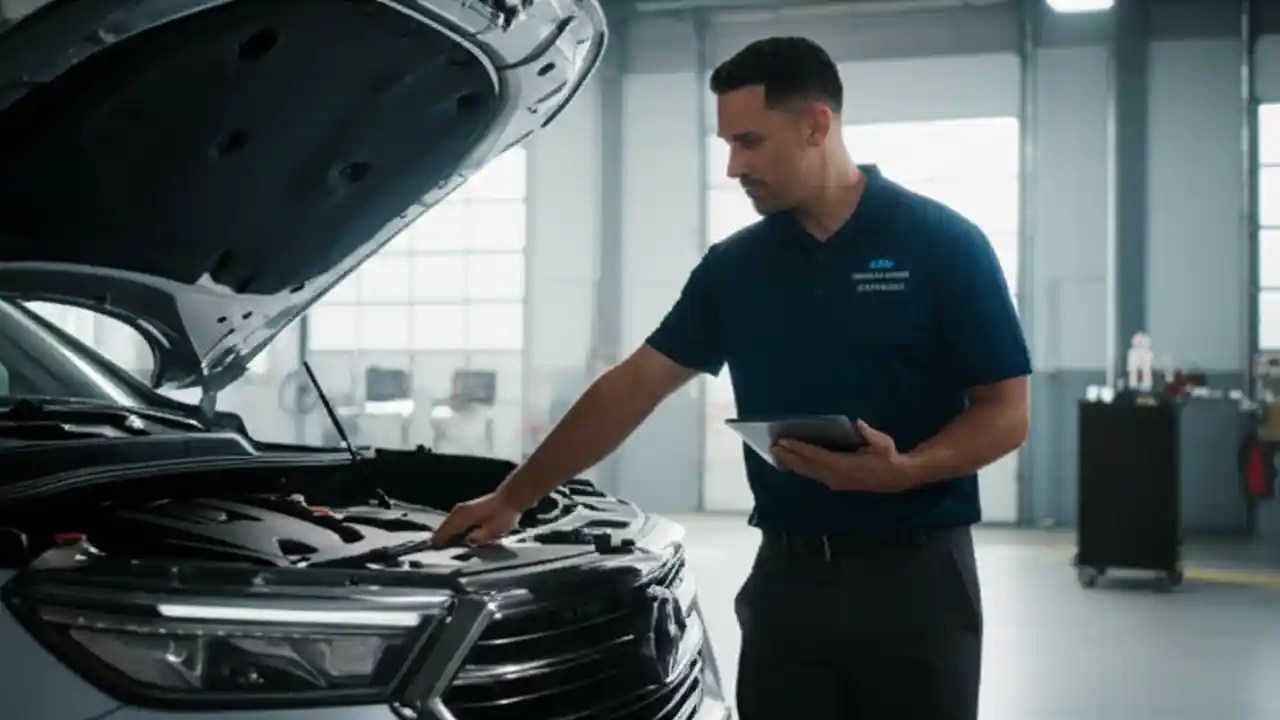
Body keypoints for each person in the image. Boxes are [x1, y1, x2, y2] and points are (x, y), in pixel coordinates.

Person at [432, 36, 1031, 719]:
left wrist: (910, 469)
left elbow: (1006, 410)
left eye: (749, 142)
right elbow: (636, 384)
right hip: (789, 578)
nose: (732, 166)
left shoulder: (944, 245)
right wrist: (515, 496)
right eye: (727, 144)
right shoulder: (735, 269)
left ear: (815, 126)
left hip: (919, 579)